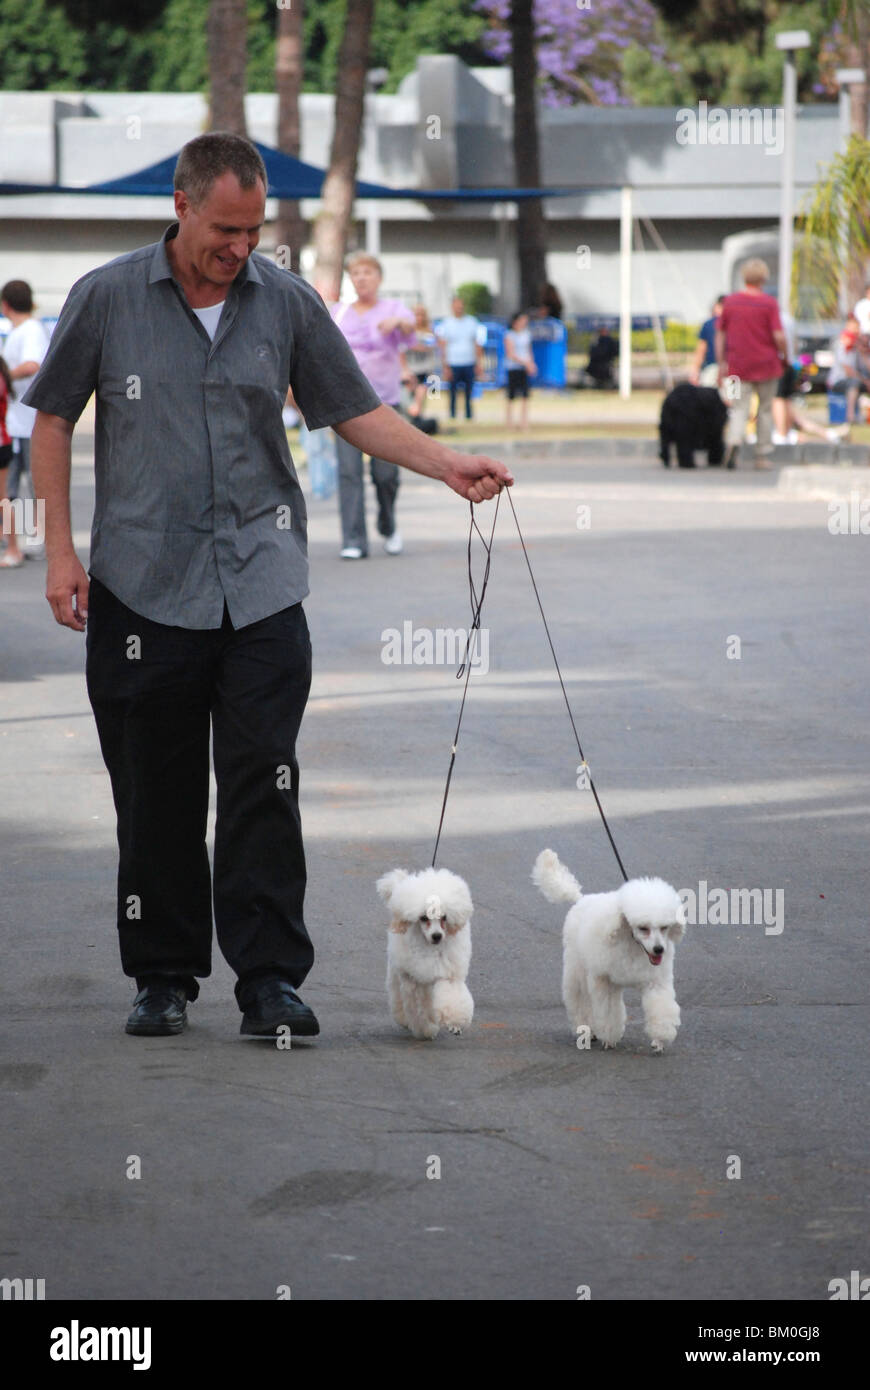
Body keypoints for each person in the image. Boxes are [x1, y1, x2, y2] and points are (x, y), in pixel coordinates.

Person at [24, 132, 512, 1042]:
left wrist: (446, 464)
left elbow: (353, 408)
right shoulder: (107, 298)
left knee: (265, 785)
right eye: (225, 228)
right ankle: (162, 977)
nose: (240, 247)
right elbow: (50, 419)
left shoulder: (284, 301)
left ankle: (272, 982)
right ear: (181, 204)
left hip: (261, 588)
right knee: (155, 792)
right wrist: (59, 553)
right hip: (142, 587)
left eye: (253, 230)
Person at [330, 252, 415, 559]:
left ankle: (388, 524)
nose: (361, 278)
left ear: (378, 278)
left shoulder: (393, 309)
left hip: (385, 405)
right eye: (356, 273)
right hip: (344, 405)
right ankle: (353, 539)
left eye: (367, 272)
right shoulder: (338, 313)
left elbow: (411, 330)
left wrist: (399, 324)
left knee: (386, 476)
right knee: (349, 473)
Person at [716, 259, 787, 470]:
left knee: (738, 408)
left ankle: (734, 441)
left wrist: (721, 362)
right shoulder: (769, 303)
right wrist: (785, 354)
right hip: (767, 364)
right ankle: (762, 455)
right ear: (764, 278)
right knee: (765, 409)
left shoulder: (730, 302)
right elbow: (778, 335)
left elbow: (720, 334)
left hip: (736, 366)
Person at [0, 280, 49, 567]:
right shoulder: (22, 330)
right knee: (11, 485)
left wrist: (5, 377)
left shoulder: (31, 330)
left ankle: (36, 539)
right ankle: (14, 538)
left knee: (35, 481)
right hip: (16, 422)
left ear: (6, 304)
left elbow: (33, 364)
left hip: (30, 420)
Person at [437, 296, 485, 420]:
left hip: (469, 361)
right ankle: (452, 414)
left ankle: (469, 414)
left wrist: (479, 363)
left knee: (469, 391)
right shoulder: (446, 323)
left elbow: (477, 343)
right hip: (453, 362)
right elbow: (443, 346)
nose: (459, 308)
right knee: (452, 391)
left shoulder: (472, 322)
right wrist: (445, 365)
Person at [826, 315, 870, 426]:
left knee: (856, 382)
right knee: (854, 383)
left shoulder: (858, 345)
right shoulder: (842, 344)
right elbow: (848, 371)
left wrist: (863, 353)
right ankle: (850, 416)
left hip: (858, 379)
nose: (857, 331)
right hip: (839, 380)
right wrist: (865, 381)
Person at [403, 304, 440, 422]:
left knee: (421, 392)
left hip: (425, 368)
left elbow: (430, 346)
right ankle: (412, 417)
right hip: (411, 369)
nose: (419, 318)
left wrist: (414, 346)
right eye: (416, 314)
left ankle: (418, 416)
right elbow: (403, 348)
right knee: (410, 394)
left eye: (421, 315)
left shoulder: (429, 330)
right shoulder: (407, 332)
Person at [504, 311, 537, 430]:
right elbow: (511, 354)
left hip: (524, 368)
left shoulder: (526, 334)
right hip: (513, 368)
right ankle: (509, 423)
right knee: (511, 396)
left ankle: (524, 422)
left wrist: (531, 364)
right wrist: (526, 363)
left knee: (525, 396)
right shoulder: (509, 335)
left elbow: (529, 351)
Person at [689, 296, 724, 386]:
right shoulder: (737, 324)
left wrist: (695, 372)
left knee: (708, 398)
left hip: (711, 368)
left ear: (717, 306)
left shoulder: (708, 324)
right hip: (732, 370)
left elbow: (701, 350)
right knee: (734, 398)